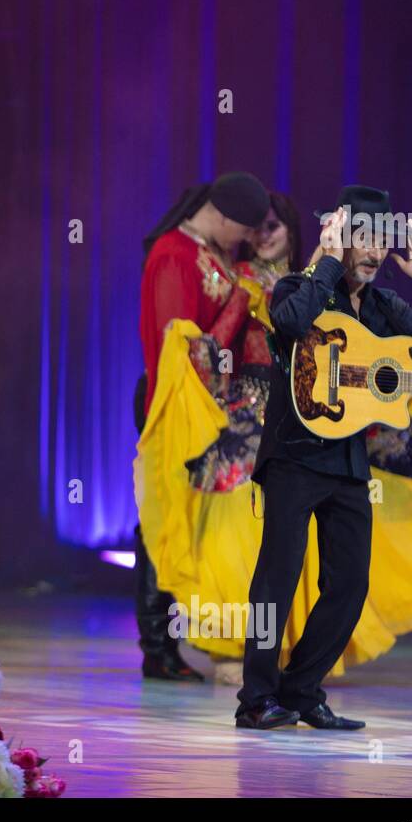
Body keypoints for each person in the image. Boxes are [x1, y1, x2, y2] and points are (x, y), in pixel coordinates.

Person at [235, 185, 412, 729]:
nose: (371, 253)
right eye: (361, 240)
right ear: (342, 240)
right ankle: (256, 699)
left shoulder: (386, 307)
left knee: (350, 584)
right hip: (294, 456)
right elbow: (292, 323)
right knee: (278, 578)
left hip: (346, 464)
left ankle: (300, 691)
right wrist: (326, 260)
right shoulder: (300, 285)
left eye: (379, 245)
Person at [132, 171, 269, 680]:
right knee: (162, 519)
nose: (248, 242)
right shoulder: (174, 254)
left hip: (209, 407)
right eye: (246, 230)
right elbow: (183, 349)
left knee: (187, 518)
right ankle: (156, 648)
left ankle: (174, 644)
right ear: (226, 217)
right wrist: (239, 302)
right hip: (174, 402)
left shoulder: (211, 253)